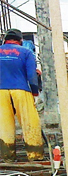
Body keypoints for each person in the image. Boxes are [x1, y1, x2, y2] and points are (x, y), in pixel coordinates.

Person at [0, 28, 43, 162]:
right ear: (20, 40)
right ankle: (34, 155)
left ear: (5, 39)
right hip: (21, 89)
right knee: (29, 120)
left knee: (4, 124)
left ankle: (8, 156)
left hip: (1, 91)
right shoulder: (26, 52)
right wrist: (35, 92)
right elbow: (31, 75)